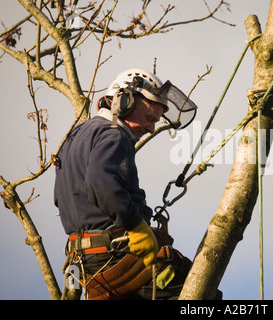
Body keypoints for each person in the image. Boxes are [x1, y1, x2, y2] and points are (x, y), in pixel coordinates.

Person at [54, 68, 197, 300]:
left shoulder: (77, 135)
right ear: (123, 102)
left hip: (83, 264)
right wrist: (136, 226)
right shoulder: (114, 135)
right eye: (150, 118)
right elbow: (101, 182)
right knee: (198, 288)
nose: (151, 129)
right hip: (113, 257)